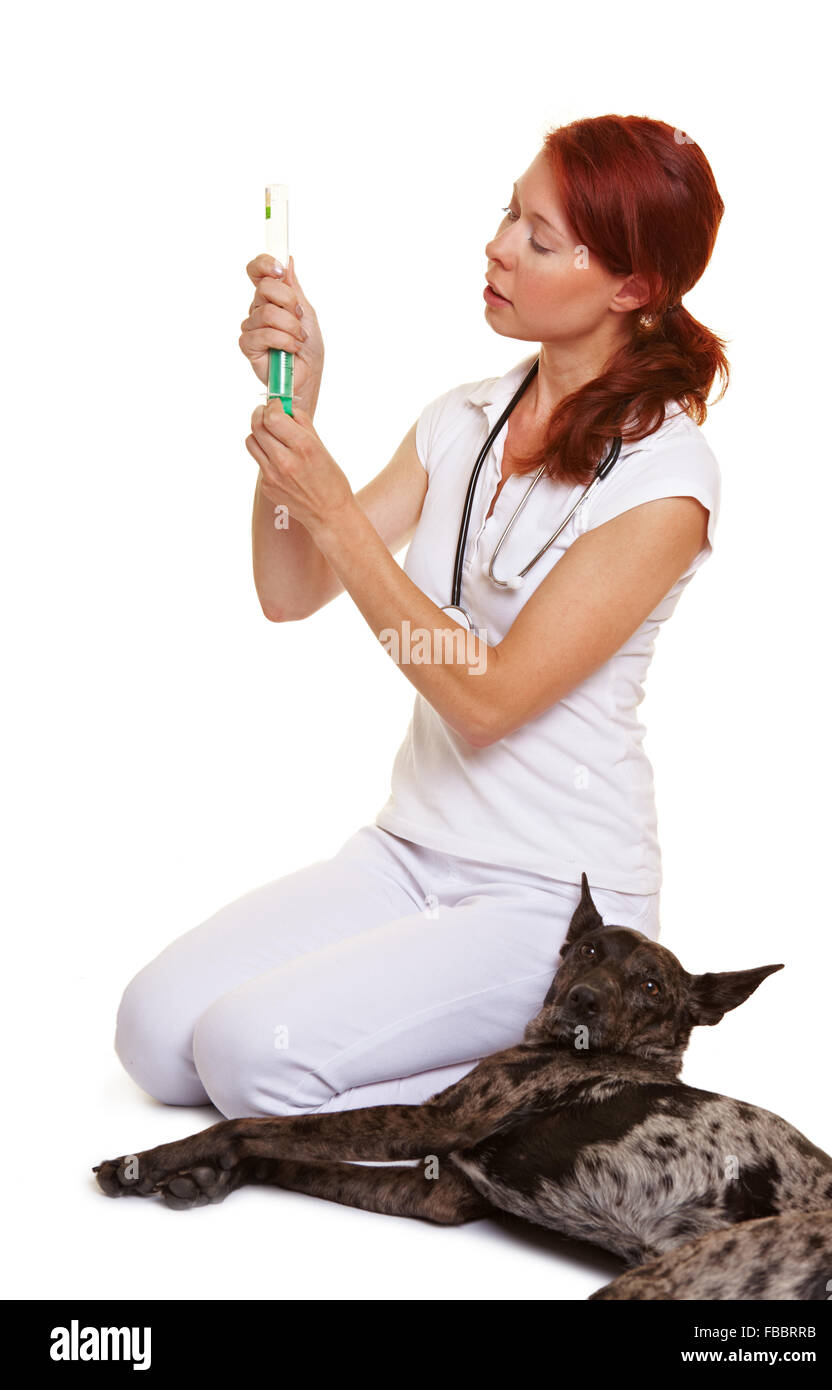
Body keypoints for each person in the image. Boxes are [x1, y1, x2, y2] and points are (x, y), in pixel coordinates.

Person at [114, 114, 726, 1121]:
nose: (496, 247)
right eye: (506, 215)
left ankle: (556, 1080)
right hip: (408, 854)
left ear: (631, 287)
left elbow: (485, 698)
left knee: (245, 1057)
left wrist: (338, 511)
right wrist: (297, 416)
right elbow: (289, 588)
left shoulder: (665, 481)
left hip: (550, 899)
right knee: (154, 1032)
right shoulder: (463, 419)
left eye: (537, 237)